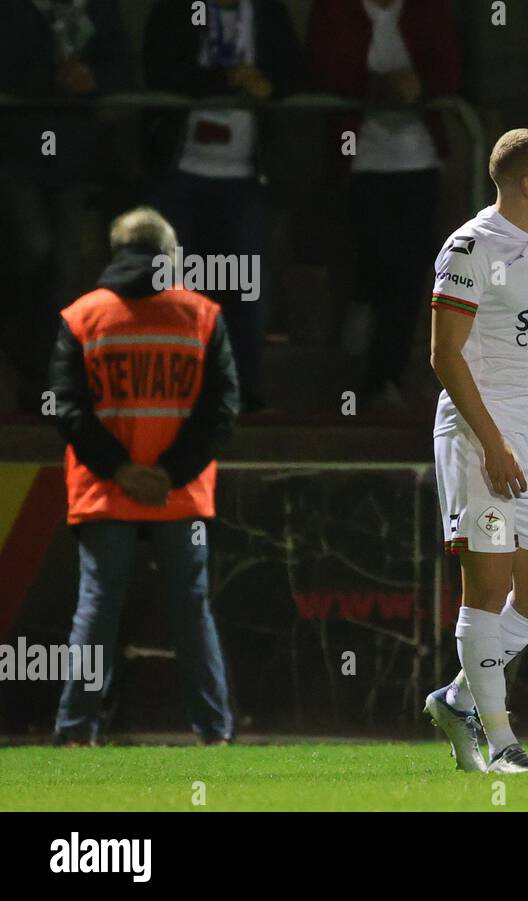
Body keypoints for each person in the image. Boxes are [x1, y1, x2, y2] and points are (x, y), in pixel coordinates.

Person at [48, 207, 240, 746]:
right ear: (168, 253)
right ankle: (215, 732)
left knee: (97, 607)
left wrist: (121, 470)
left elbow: (67, 410)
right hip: (181, 493)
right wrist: (169, 473)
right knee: (191, 609)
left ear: (117, 251)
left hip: (104, 489)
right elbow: (221, 411)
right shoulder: (201, 315)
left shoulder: (81, 317)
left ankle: (74, 731)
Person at [423, 129, 528, 775]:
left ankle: (458, 701)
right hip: (477, 436)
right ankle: (503, 742)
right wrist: (492, 445)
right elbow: (443, 354)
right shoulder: (469, 248)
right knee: (485, 587)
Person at [143, 0, 303, 414]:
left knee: (246, 292)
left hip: (245, 176)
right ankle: (174, 392)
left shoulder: (268, 13)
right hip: (181, 171)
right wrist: (224, 79)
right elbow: (158, 69)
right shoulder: (176, 10)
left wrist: (268, 85)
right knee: (173, 289)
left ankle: (240, 392)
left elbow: (294, 72)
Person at [306, 0, 462, 411]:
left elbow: (451, 70)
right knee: (371, 262)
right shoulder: (335, 14)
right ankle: (354, 367)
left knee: (409, 271)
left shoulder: (428, 12)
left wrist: (420, 87)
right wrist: (376, 88)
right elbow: (322, 71)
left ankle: (383, 380)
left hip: (418, 160)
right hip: (360, 160)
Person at [0, 0, 130, 414]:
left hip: (72, 157)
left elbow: (123, 65)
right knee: (33, 248)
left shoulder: (96, 10)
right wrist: (50, 79)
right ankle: (20, 348)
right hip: (17, 154)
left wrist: (90, 80)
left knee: (63, 269)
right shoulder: (13, 10)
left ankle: (43, 381)